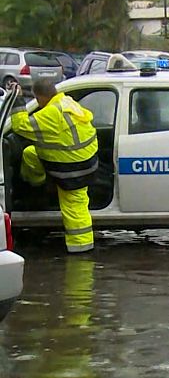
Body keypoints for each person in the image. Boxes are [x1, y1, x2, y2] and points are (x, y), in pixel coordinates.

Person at [11, 79, 98, 253]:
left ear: (39, 97)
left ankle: (81, 247)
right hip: (86, 159)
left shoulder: (50, 113)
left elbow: (19, 126)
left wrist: (18, 101)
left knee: (74, 207)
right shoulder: (66, 102)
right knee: (30, 153)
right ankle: (37, 183)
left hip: (73, 169)